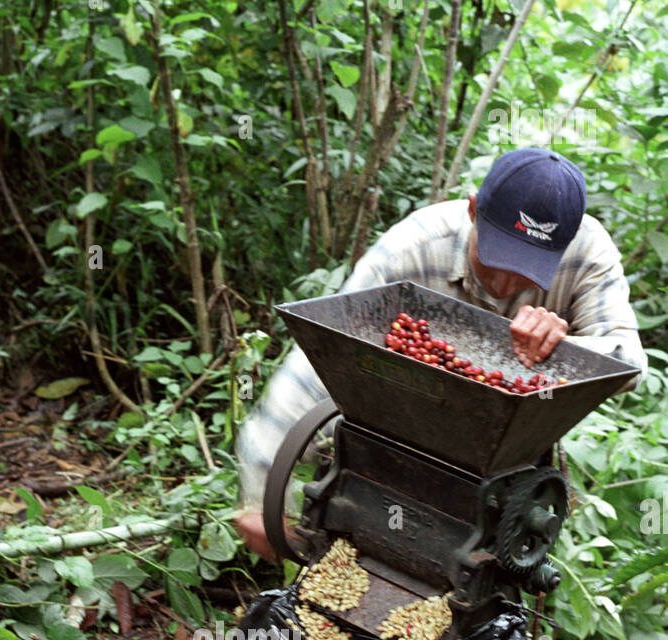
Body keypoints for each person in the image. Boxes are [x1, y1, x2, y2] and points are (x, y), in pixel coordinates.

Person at [235, 147, 647, 559]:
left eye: (524, 270)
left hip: (509, 460)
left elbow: (630, 363)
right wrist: (262, 488)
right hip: (398, 432)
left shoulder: (587, 252)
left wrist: (565, 346)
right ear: (473, 211)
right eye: (494, 260)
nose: (503, 285)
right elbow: (319, 360)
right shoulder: (412, 249)